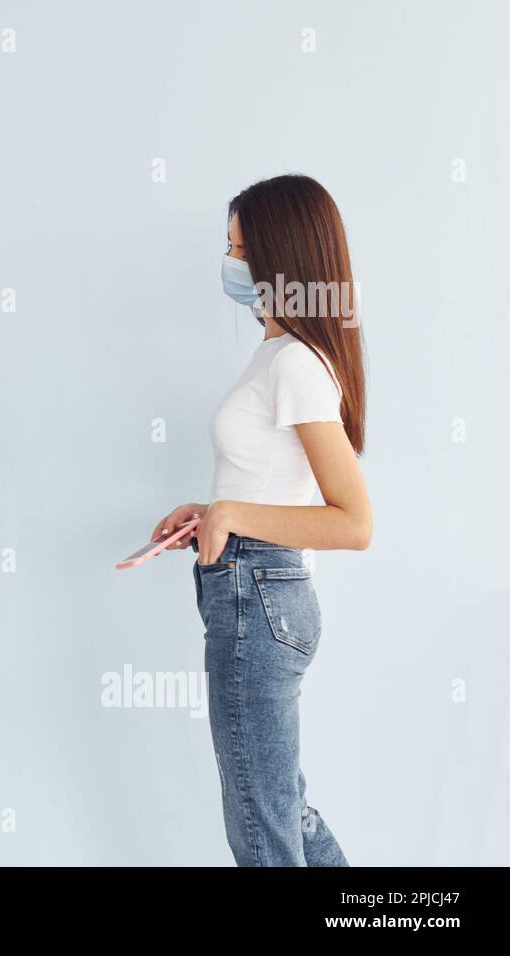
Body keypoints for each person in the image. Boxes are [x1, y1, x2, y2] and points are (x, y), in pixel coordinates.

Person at [155, 174, 370, 866]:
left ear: (283, 258)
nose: (231, 264)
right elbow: (270, 484)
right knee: (281, 810)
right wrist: (212, 510)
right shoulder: (278, 357)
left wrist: (234, 514)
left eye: (241, 250)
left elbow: (353, 523)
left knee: (260, 821)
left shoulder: (297, 367)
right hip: (256, 592)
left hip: (260, 596)